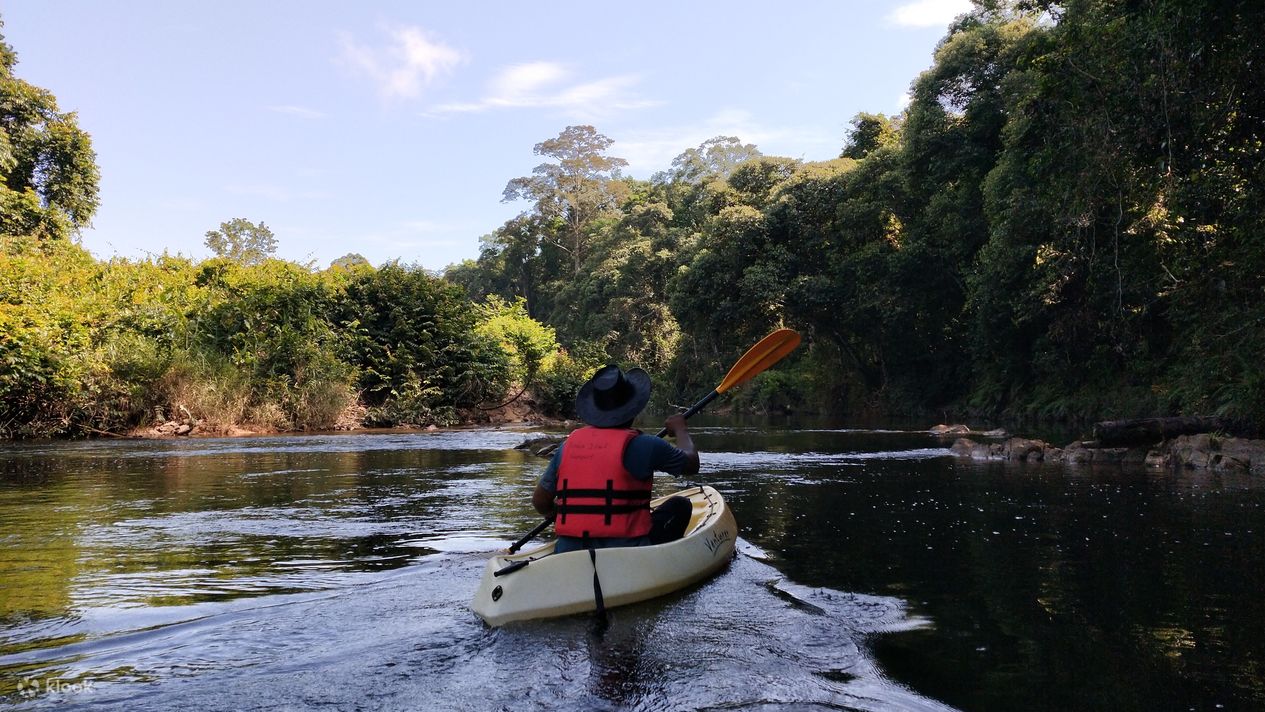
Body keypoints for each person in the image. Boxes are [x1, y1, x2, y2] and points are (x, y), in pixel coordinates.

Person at [532, 364, 699, 554]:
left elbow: (540, 501)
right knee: (680, 505)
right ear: (634, 407)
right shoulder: (648, 445)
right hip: (627, 555)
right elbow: (692, 464)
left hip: (569, 554)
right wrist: (680, 429)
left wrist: (556, 514)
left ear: (595, 409)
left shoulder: (567, 446)